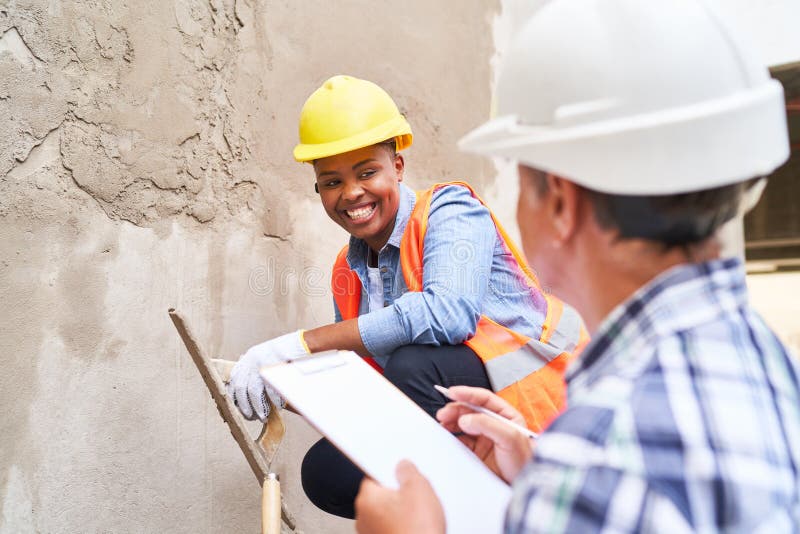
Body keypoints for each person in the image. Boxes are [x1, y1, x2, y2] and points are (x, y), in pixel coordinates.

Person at [354, 1, 800, 532]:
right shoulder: (768, 360)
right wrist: (542, 464)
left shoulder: (600, 451)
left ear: (561, 204)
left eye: (521, 179)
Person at [227, 75, 585, 518]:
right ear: (318, 189)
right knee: (326, 472)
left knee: (415, 363)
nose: (352, 192)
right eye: (332, 181)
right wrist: (285, 384)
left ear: (397, 166)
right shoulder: (348, 268)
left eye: (367, 172)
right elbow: (374, 387)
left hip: (552, 404)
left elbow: (447, 314)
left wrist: (301, 343)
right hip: (466, 416)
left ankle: (488, 516)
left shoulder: (451, 210)